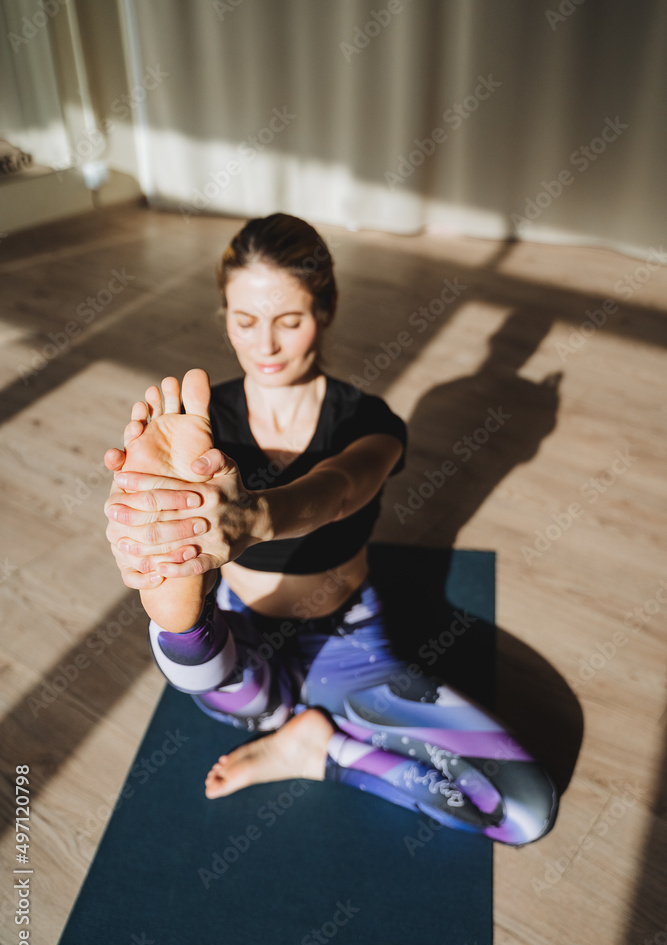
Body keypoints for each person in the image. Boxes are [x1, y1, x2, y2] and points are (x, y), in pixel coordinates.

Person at [104, 213, 558, 846]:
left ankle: (313, 748)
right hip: (242, 633)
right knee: (223, 678)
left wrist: (254, 518)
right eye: (244, 321)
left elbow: (341, 489)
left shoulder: (367, 422)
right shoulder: (201, 431)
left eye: (289, 321)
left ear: (326, 310)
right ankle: (181, 609)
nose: (265, 346)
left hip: (346, 644)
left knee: (524, 809)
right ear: (224, 316)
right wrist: (168, 521)